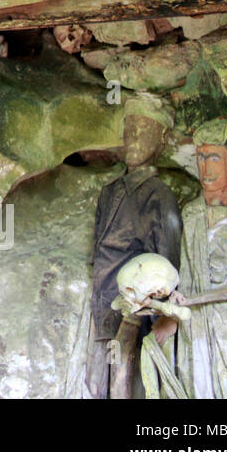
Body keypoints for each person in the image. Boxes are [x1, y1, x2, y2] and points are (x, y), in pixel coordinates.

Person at [155, 120, 227, 399]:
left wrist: (188, 303)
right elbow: (185, 270)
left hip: (226, 329)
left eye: (214, 157)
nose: (205, 168)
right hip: (190, 322)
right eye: (201, 157)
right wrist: (171, 311)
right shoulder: (192, 212)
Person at [87, 101, 183, 398]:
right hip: (103, 296)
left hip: (136, 304)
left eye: (144, 131)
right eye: (129, 130)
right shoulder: (109, 191)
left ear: (161, 139)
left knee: (133, 373)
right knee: (100, 371)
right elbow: (97, 248)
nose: (134, 138)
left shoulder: (159, 195)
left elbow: (167, 260)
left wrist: (158, 307)